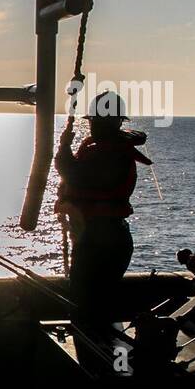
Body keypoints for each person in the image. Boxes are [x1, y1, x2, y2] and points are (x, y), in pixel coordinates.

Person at [55, 90, 152, 323]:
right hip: (109, 236)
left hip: (100, 241)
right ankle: (103, 349)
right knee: (97, 303)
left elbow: (75, 175)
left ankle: (95, 352)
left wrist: (63, 149)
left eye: (96, 122)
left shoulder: (107, 154)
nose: (93, 127)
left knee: (85, 304)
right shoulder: (112, 149)